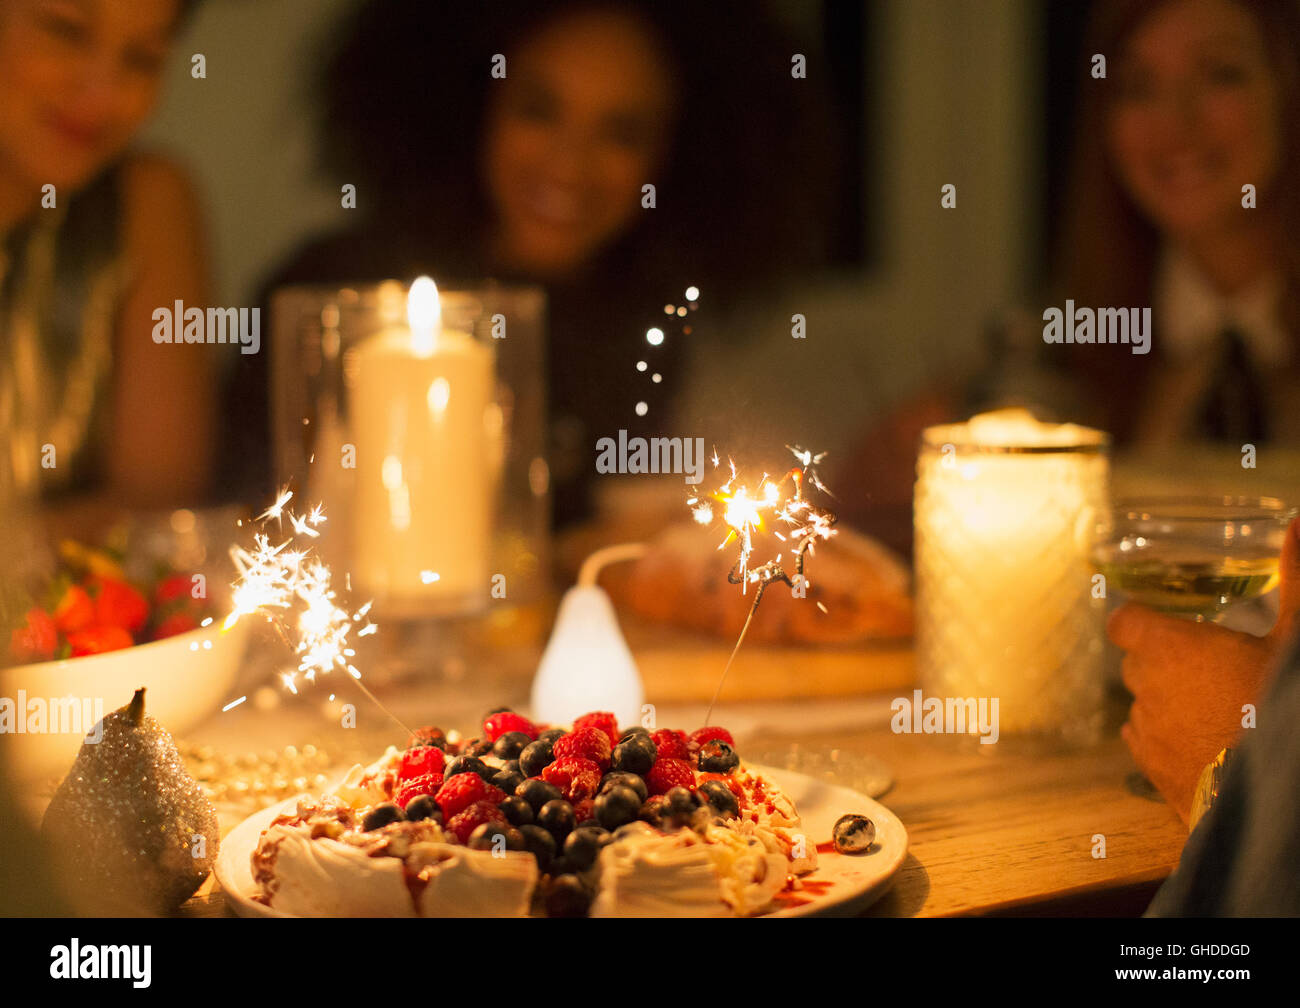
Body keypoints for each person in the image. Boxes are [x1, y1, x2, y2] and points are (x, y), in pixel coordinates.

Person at [227, 0, 839, 526]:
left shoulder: (644, 320)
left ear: (677, 157)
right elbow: (255, 527)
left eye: (621, 133)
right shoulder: (334, 295)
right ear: (471, 105)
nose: (571, 163)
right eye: (538, 110)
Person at [0, 0, 215, 532]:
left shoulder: (144, 209)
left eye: (142, 59)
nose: (104, 93)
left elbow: (155, 516)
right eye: (65, 32)